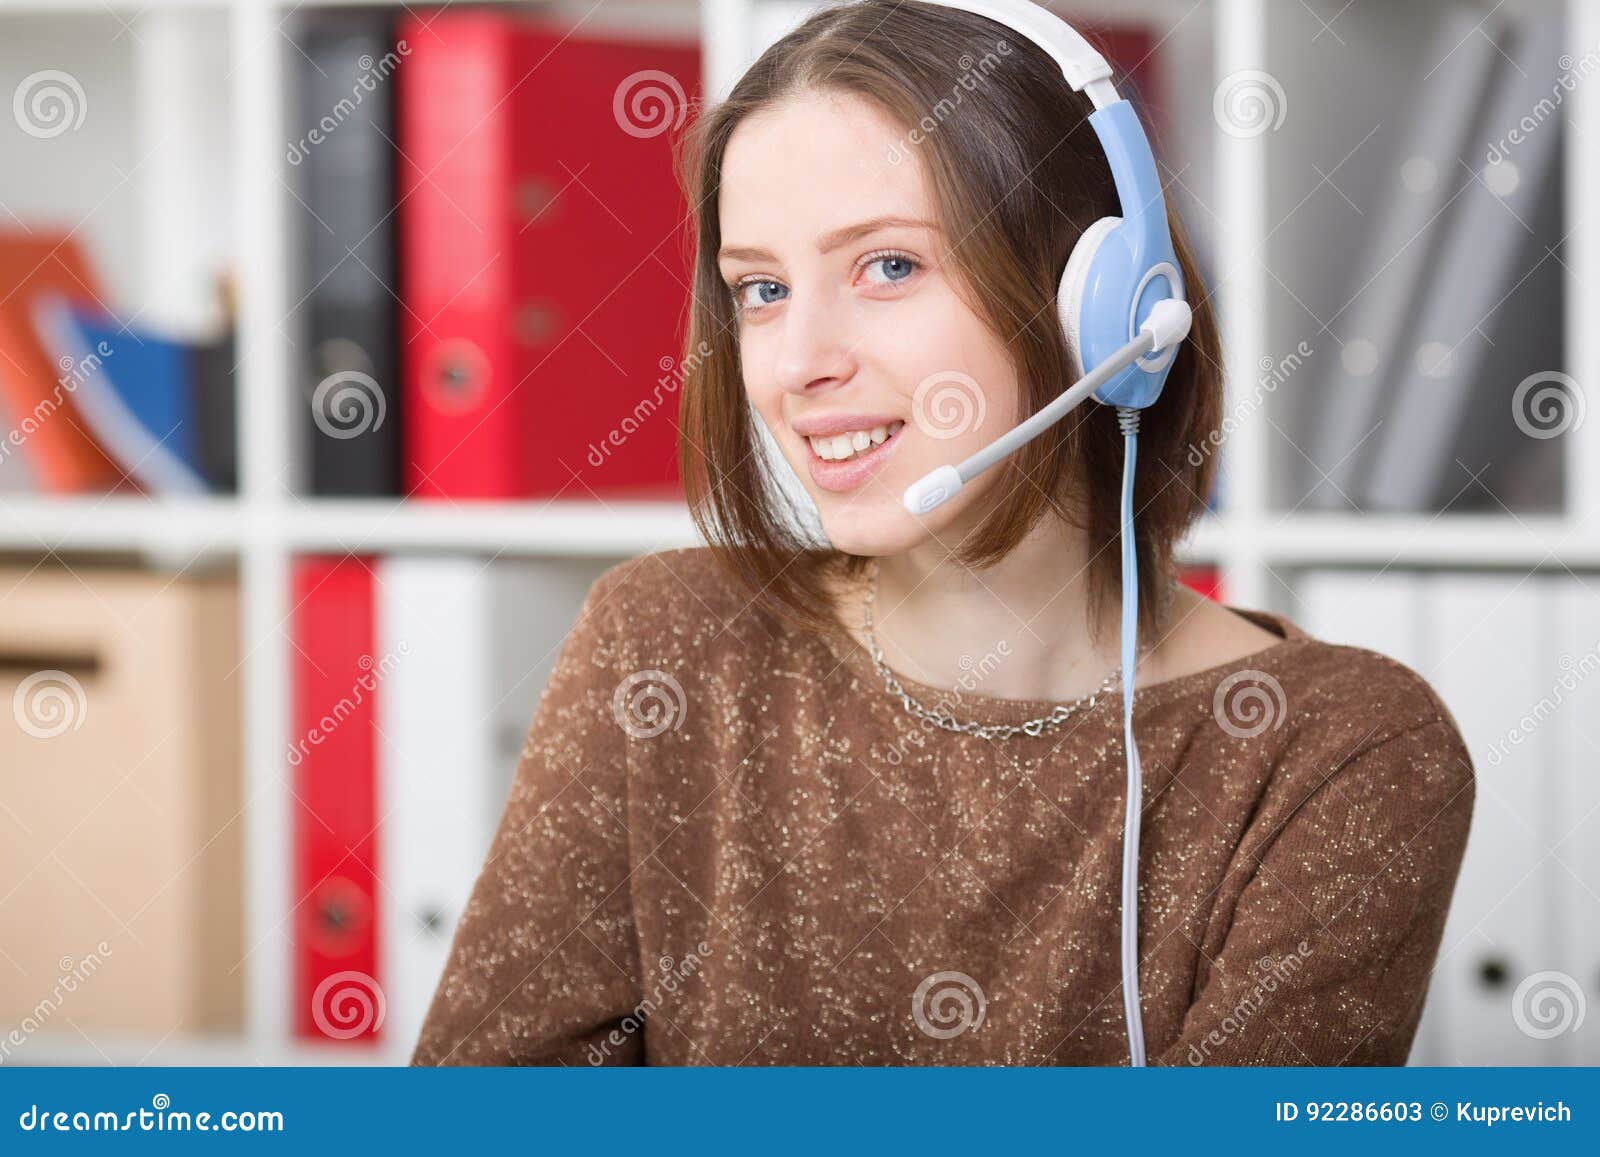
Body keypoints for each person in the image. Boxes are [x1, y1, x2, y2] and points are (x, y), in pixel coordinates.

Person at [410, 0, 1474, 1066]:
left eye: (887, 266)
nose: (797, 363)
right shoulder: (666, 641)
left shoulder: (1339, 750)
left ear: (1101, 305)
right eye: (763, 290)